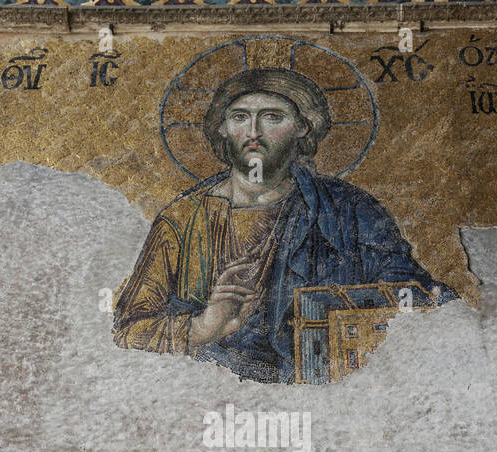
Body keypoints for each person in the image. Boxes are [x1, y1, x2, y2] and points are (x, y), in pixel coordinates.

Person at [114, 67, 456, 384]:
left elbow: (416, 296)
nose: (252, 132)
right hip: (213, 393)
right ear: (222, 127)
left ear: (303, 126)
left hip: (329, 394)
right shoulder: (182, 221)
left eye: (272, 117)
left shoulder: (350, 210)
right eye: (239, 117)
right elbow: (128, 332)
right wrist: (204, 327)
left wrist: (341, 310)